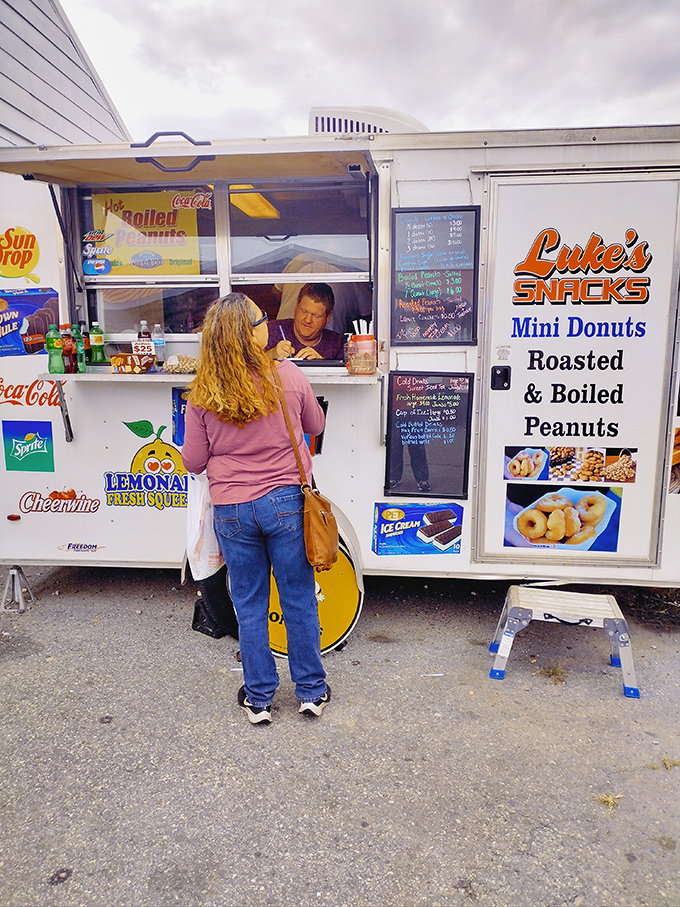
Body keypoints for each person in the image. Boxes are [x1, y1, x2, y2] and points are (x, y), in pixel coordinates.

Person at [181, 293, 330, 725]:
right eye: (263, 319)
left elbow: (192, 461)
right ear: (252, 333)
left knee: (248, 603)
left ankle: (260, 697)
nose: (269, 324)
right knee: (299, 598)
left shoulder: (202, 392)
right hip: (286, 503)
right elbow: (315, 426)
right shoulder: (288, 375)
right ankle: (310, 692)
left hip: (232, 510)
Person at [266, 283, 344, 361]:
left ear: (328, 317)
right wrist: (271, 354)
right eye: (304, 311)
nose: (308, 320)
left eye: (316, 315)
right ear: (296, 306)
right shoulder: (272, 331)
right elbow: (253, 366)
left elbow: (350, 370)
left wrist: (322, 364)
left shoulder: (337, 344)